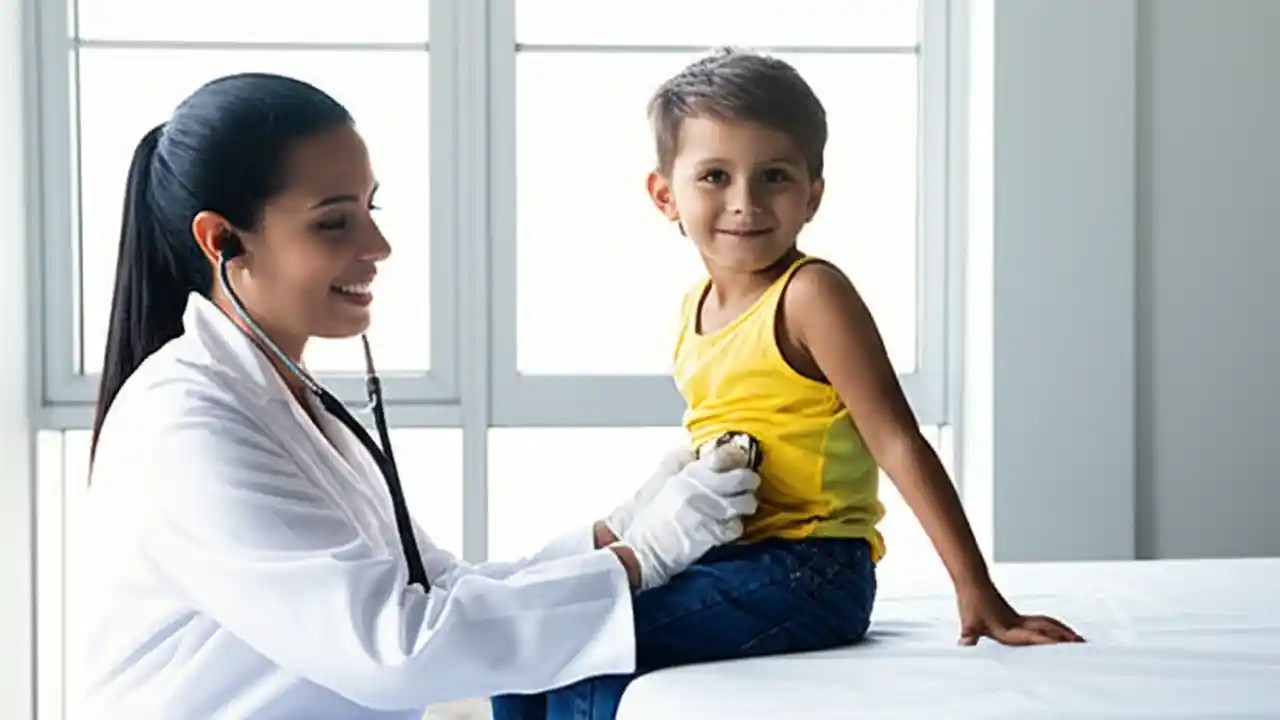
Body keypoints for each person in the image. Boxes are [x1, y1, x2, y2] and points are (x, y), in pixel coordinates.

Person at [79, 72, 763, 719]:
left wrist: (621, 529)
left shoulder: (290, 402)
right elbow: (393, 646)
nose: (378, 245)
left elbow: (436, 586)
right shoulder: (184, 425)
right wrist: (641, 559)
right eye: (333, 222)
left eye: (370, 209)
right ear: (221, 240)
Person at [491, 47, 1086, 720]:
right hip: (727, 557)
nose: (744, 203)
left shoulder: (810, 295)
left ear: (813, 194)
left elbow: (895, 440)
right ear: (666, 196)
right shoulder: (695, 311)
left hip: (811, 570)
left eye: (773, 176)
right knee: (523, 641)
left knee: (591, 656)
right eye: (715, 175)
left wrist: (976, 589)